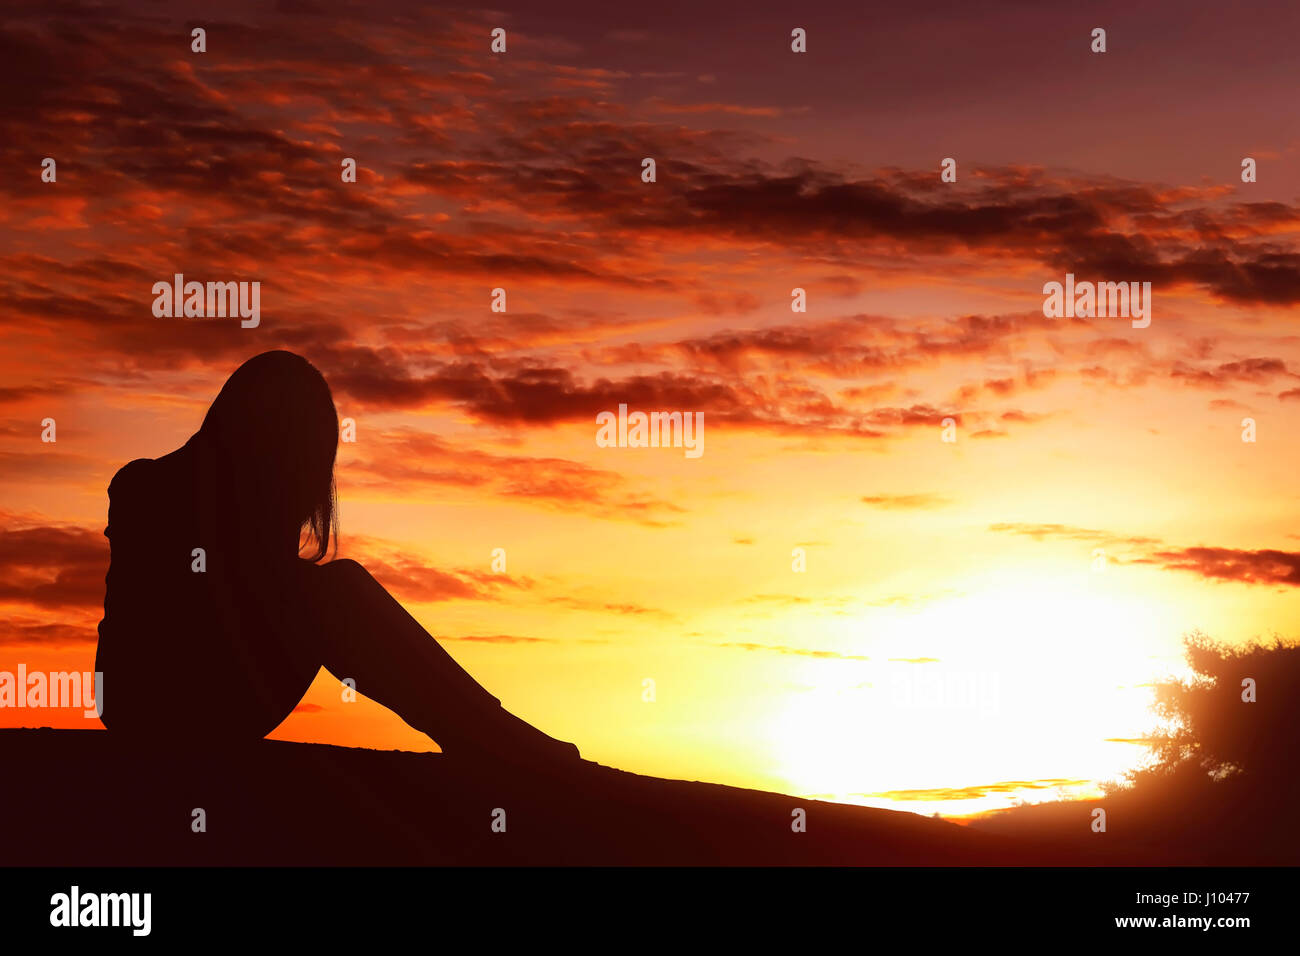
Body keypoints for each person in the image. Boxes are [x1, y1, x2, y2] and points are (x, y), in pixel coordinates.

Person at [94, 350, 580, 768]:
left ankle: (484, 731)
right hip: (159, 707)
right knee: (340, 590)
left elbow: (257, 596)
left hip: (201, 696)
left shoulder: (185, 490)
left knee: (336, 590)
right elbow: (210, 599)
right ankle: (488, 734)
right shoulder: (146, 488)